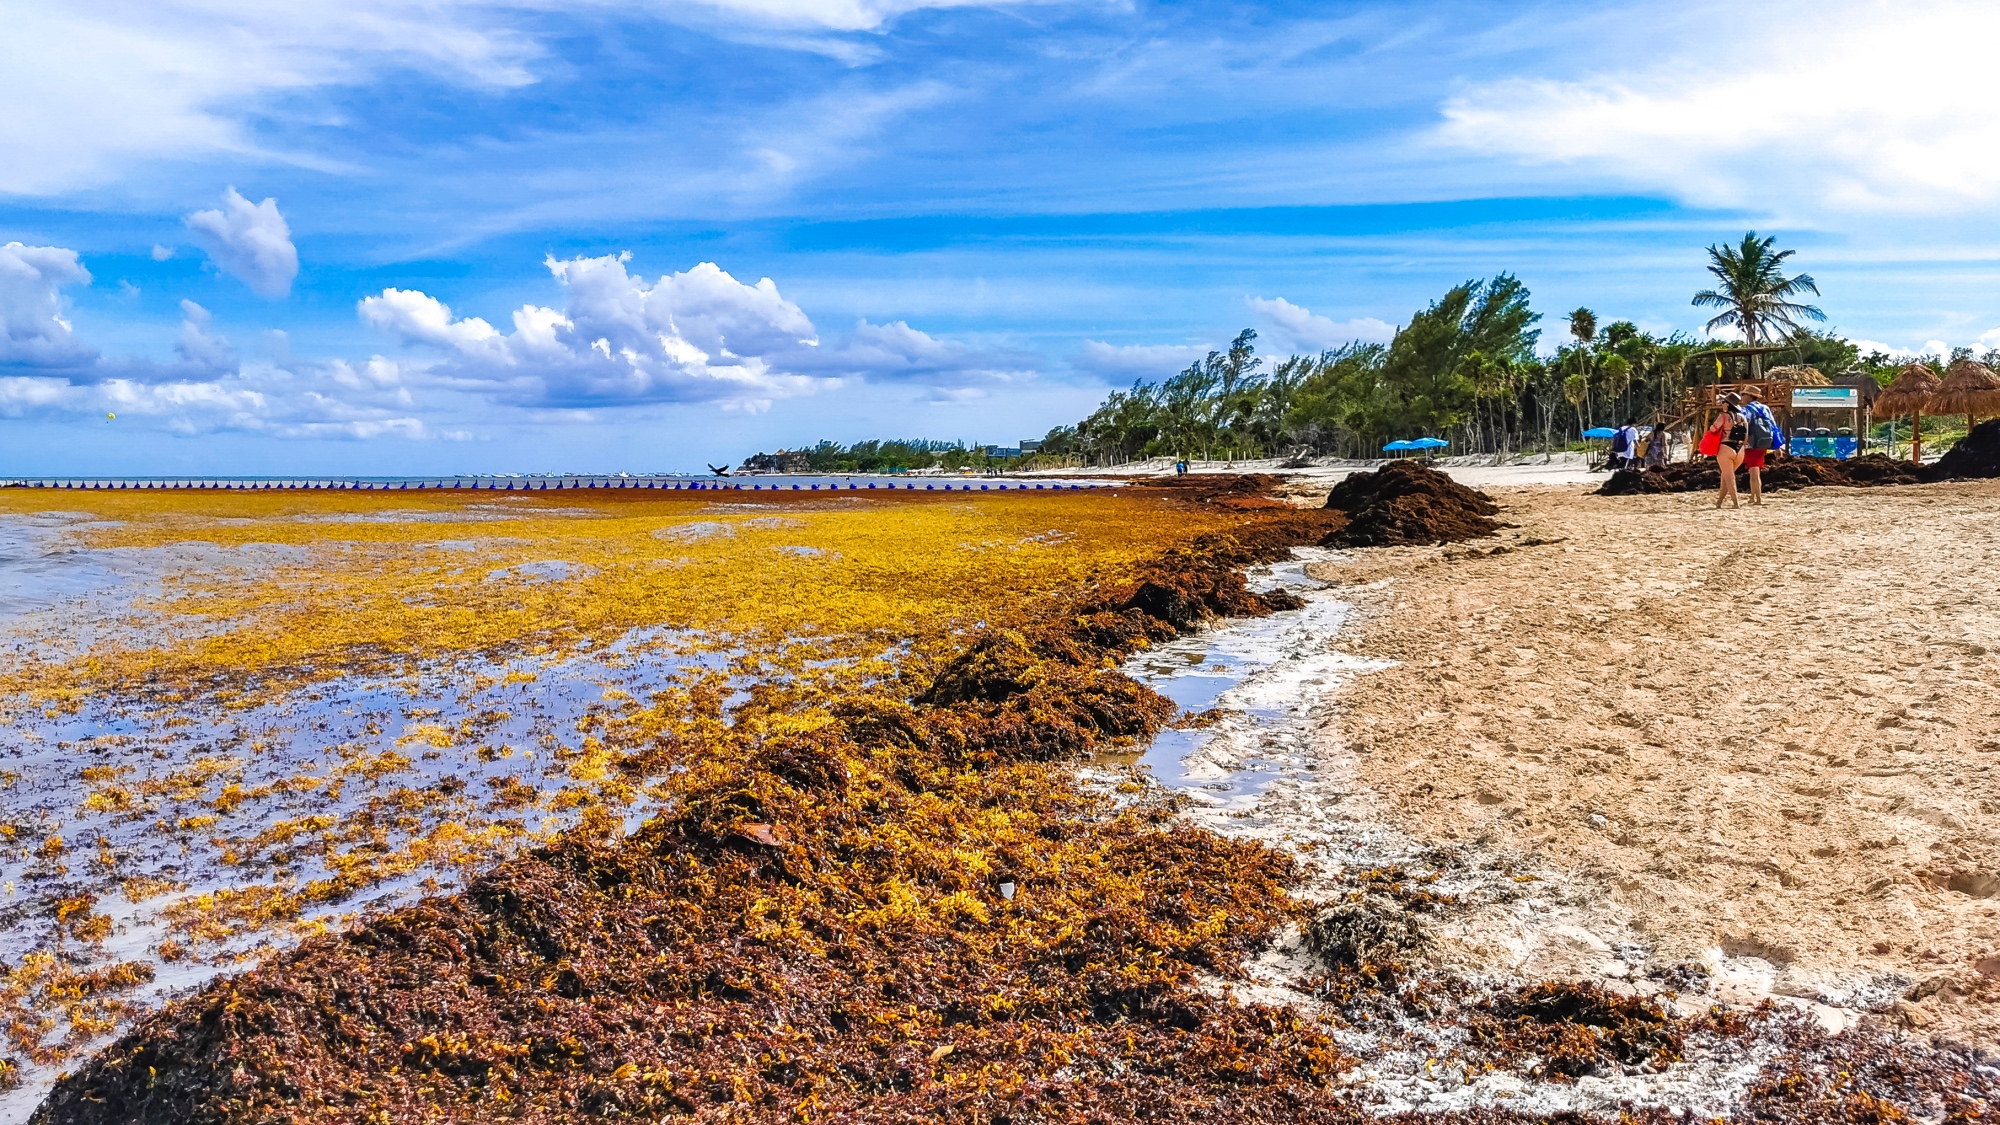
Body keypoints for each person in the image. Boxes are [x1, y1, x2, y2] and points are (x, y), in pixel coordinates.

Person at [1706, 393, 1748, 509]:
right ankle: (1719, 502)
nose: (1722, 404)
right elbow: (1746, 437)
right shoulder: (1743, 417)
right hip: (1739, 449)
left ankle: (1736, 503)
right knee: (1726, 476)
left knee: (1729, 477)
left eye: (1724, 402)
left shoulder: (1724, 416)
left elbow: (1713, 428)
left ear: (1728, 404)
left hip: (1726, 447)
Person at [1740, 390, 1779, 506]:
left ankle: (1758, 499)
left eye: (1743, 395)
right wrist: (1777, 445)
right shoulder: (1765, 408)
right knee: (1755, 470)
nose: (1742, 397)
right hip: (1764, 442)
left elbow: (1744, 427)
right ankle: (1753, 496)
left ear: (1749, 396)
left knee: (1754, 473)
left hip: (1752, 444)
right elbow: (1773, 425)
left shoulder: (1746, 410)